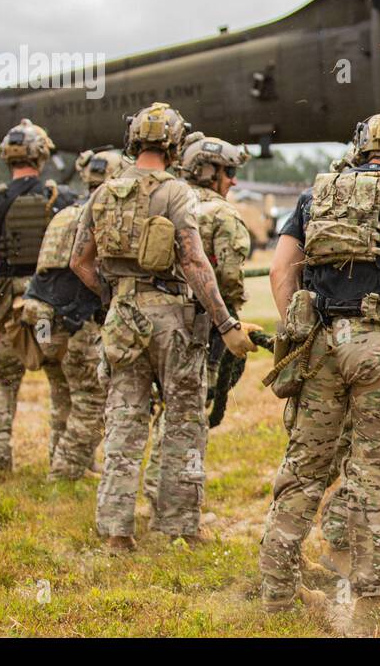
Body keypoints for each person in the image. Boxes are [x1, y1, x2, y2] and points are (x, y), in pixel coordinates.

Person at [260, 110, 380, 622]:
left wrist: (300, 325)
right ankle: (372, 599)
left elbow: (280, 268)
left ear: (361, 146)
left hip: (318, 344)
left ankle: (277, 591)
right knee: (378, 472)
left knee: (303, 468)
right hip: (378, 343)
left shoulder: (315, 194)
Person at [70, 102, 256, 550]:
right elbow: (193, 261)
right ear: (175, 144)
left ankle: (116, 532)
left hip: (122, 319)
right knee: (184, 422)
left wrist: (115, 298)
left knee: (124, 423)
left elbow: (79, 260)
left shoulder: (102, 192)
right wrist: (225, 322)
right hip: (172, 319)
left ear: (133, 140)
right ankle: (179, 524)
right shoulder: (177, 194)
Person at [0, 118, 77, 475]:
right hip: (51, 308)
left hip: (8, 308)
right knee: (62, 382)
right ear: (41, 157)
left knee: (3, 380)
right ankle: (62, 459)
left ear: (6, 158)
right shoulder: (63, 198)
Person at [144, 135, 254, 521]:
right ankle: (178, 512)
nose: (234, 182)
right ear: (211, 171)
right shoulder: (222, 214)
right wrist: (232, 323)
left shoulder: (166, 198)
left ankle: (155, 489)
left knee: (163, 411)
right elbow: (228, 279)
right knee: (189, 418)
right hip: (202, 329)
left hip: (151, 324)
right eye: (230, 172)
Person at [23, 148, 124, 481]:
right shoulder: (103, 217)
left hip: (38, 317)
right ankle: (64, 473)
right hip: (72, 321)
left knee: (62, 396)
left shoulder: (65, 212)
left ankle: (68, 462)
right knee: (91, 400)